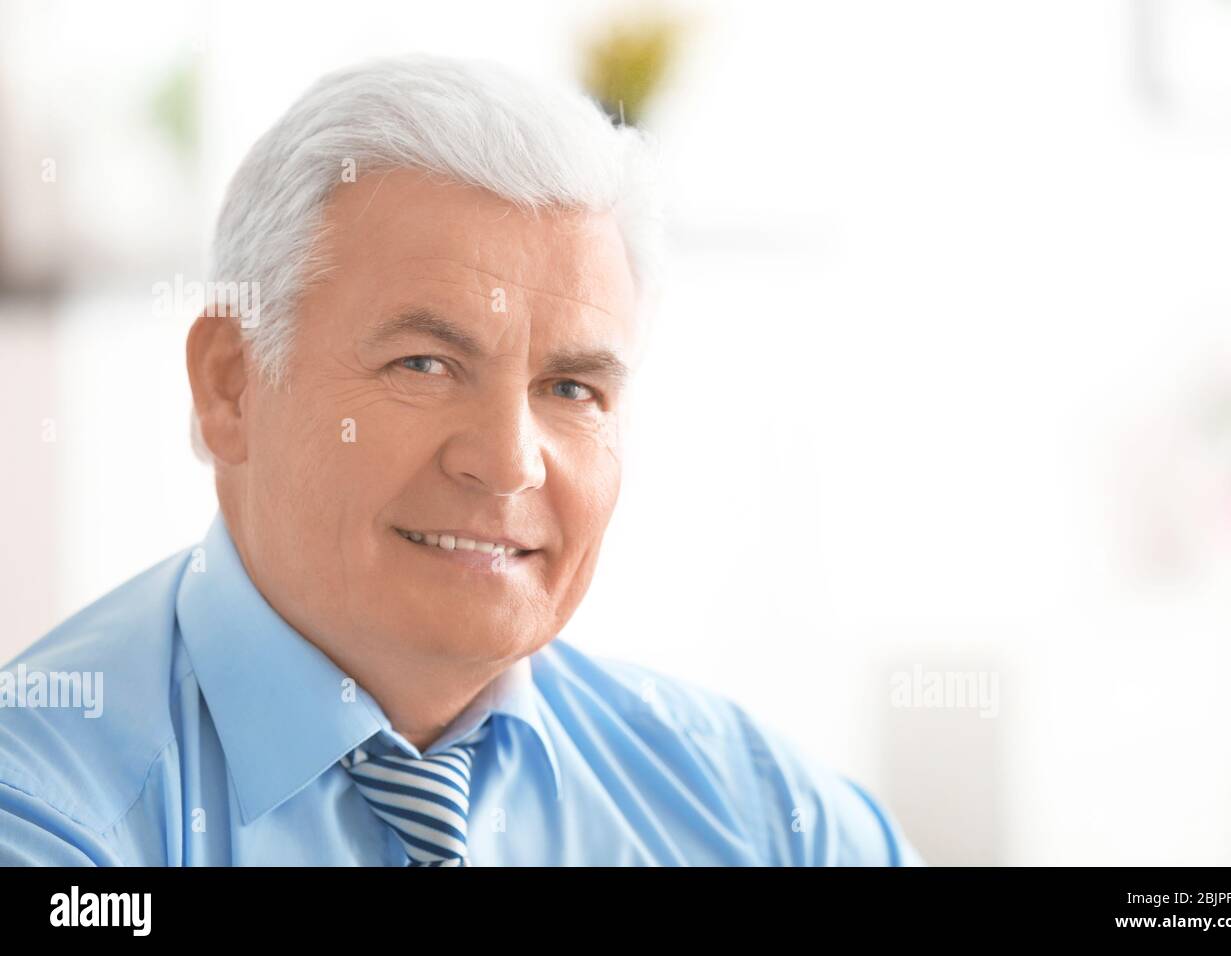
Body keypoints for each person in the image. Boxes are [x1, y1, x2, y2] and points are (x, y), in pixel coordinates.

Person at [0, 55, 922, 866]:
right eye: (425, 365)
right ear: (232, 384)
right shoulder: (45, 818)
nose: (510, 462)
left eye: (571, 389)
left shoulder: (750, 811)